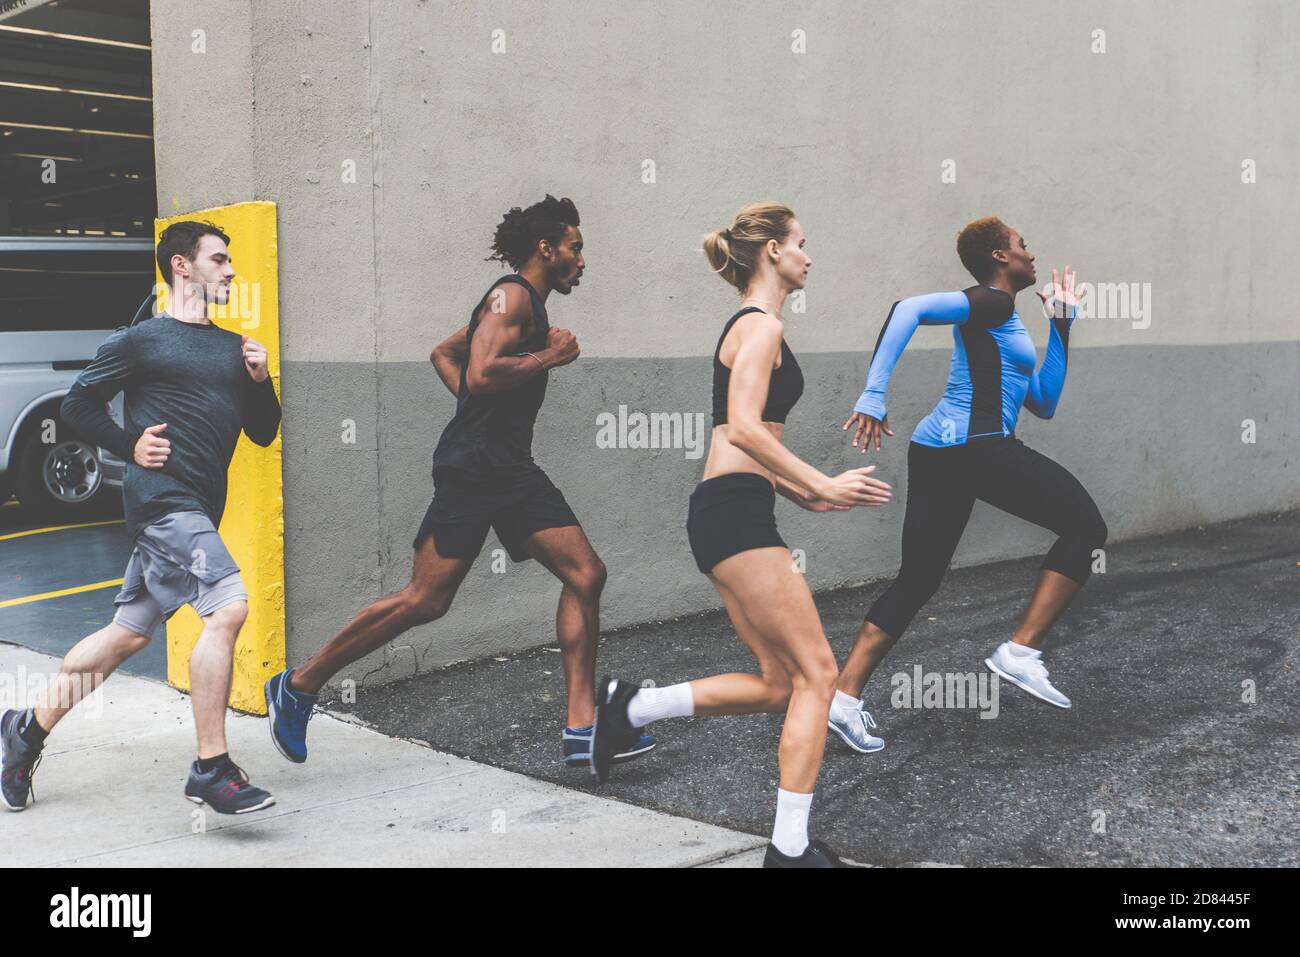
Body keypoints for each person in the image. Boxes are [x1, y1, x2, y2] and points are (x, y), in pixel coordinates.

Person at [264, 195, 655, 770]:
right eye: (575, 248)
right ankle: (298, 684)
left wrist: (478, 409)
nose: (582, 260)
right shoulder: (512, 296)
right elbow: (477, 370)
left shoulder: (520, 302)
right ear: (546, 249)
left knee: (585, 573)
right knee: (426, 599)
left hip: (508, 466)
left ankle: (582, 727)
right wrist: (548, 357)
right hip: (475, 469)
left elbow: (443, 353)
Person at [592, 203, 891, 868]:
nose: (809, 256)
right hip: (732, 513)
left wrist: (803, 494)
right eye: (801, 244)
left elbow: (747, 444)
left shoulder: (764, 327)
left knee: (782, 683)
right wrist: (820, 481)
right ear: (772, 253)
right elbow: (744, 427)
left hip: (733, 507)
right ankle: (788, 851)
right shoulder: (758, 327)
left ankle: (631, 706)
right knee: (820, 674)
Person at [1, 220, 283, 814]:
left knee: (126, 636)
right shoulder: (141, 341)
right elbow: (77, 403)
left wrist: (261, 380)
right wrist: (128, 444)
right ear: (182, 267)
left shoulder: (235, 347)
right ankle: (211, 768)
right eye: (220, 259)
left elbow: (262, 431)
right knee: (229, 605)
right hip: (162, 501)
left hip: (197, 506)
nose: (231, 271)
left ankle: (26, 729)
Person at [832, 216, 1106, 755]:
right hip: (975, 448)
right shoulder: (993, 302)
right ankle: (1020, 652)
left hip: (941, 451)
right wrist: (872, 392)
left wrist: (1063, 325)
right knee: (1086, 526)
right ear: (1000, 258)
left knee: (918, 580)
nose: (1032, 251)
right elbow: (907, 309)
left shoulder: (1006, 320)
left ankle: (842, 699)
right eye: (1022, 244)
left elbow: (1043, 402)